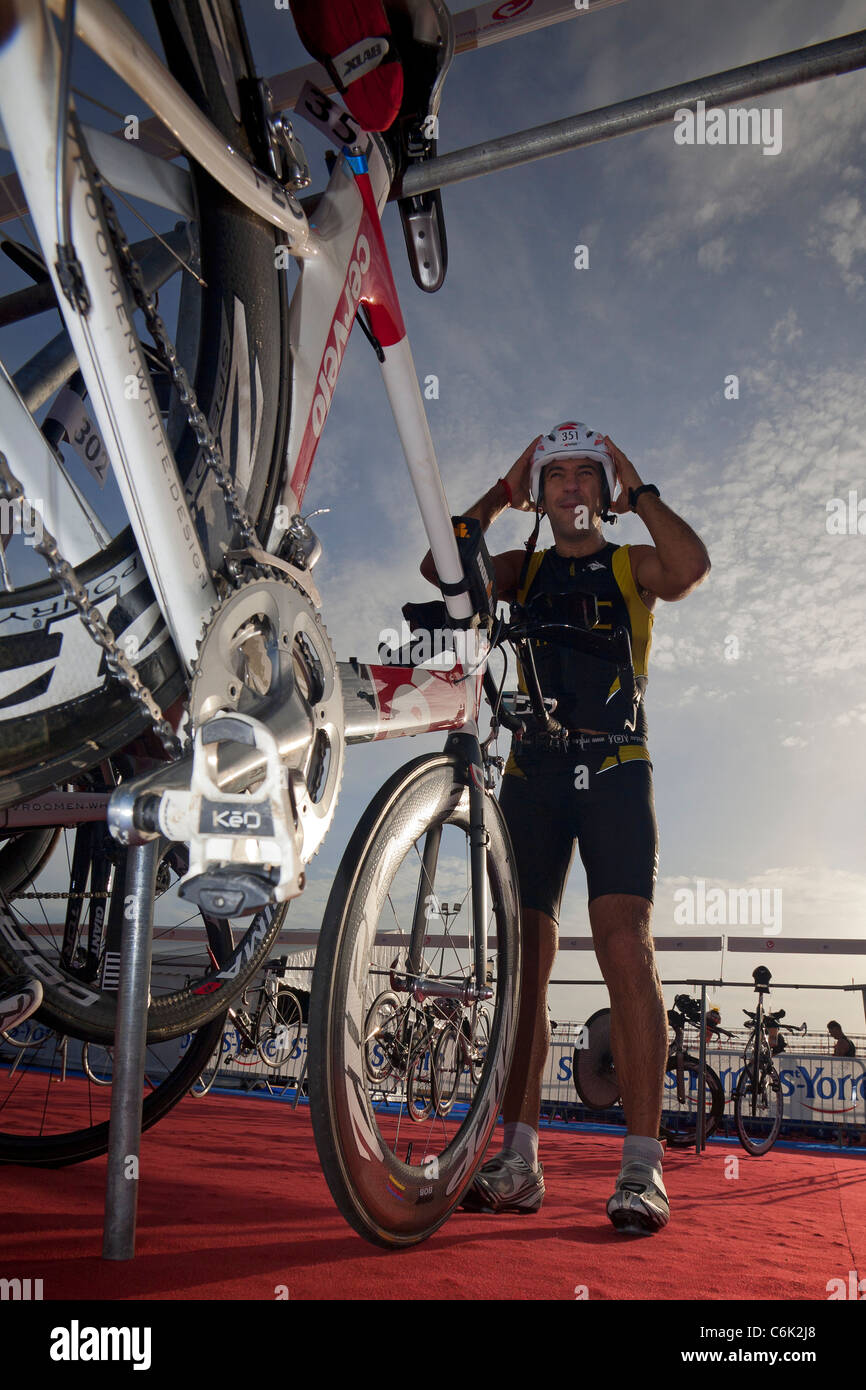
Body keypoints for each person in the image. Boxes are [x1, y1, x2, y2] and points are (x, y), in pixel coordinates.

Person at [420, 421, 711, 1234]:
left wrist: (639, 486)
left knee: (624, 943)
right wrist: (498, 491)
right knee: (527, 963)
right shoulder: (524, 569)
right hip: (534, 774)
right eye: (557, 478)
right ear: (539, 497)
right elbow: (444, 570)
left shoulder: (630, 563)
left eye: (588, 476)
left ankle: (643, 1170)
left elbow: (689, 566)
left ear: (605, 491)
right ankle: (517, 1161)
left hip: (617, 767)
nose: (573, 487)